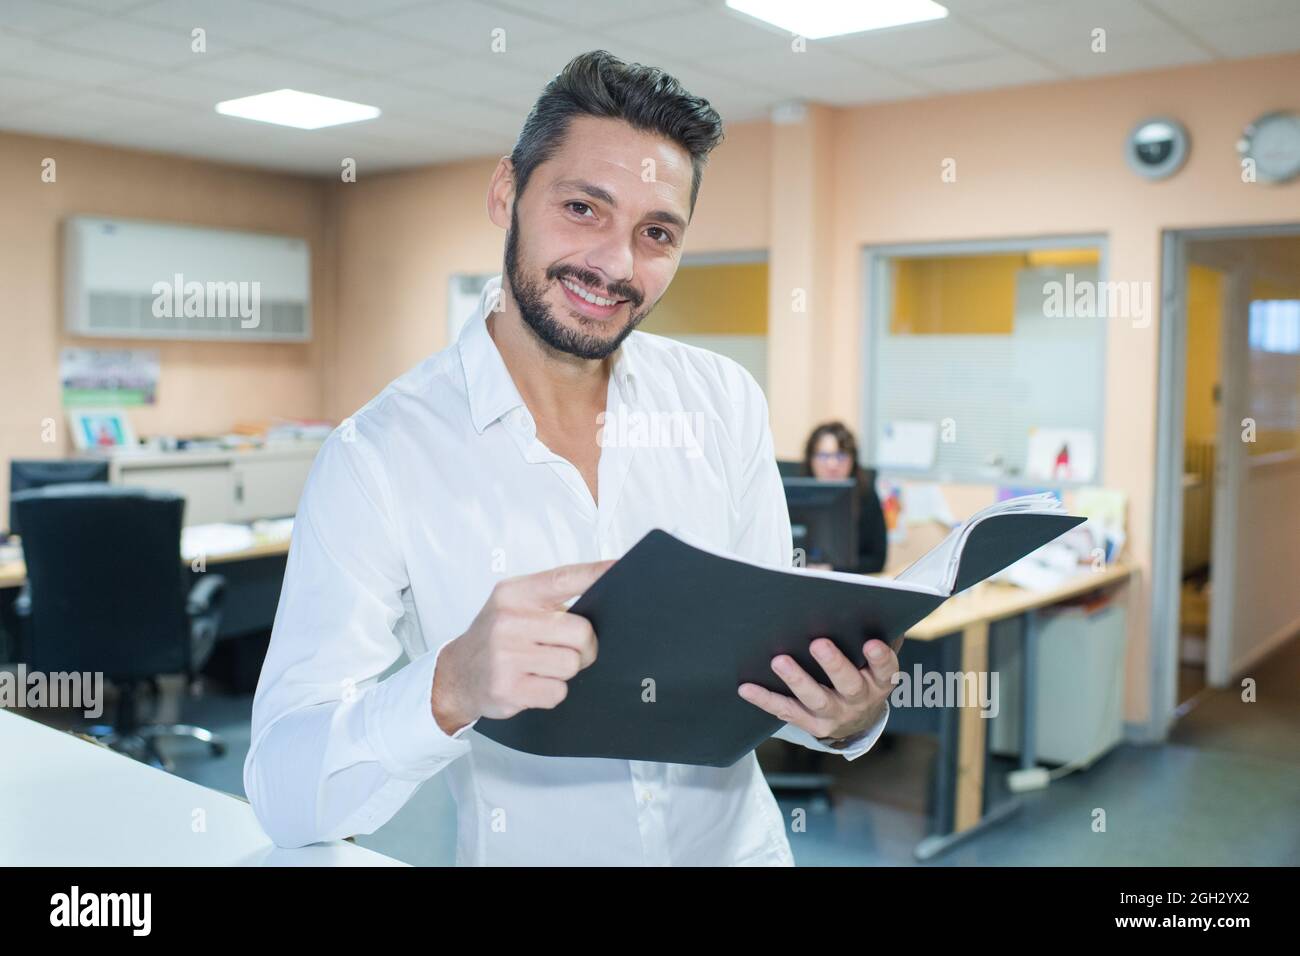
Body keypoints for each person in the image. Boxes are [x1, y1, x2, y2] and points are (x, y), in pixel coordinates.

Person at [245, 51, 897, 866]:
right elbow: (281, 794)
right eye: (584, 208)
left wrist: (848, 717)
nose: (617, 265)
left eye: (656, 232)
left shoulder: (722, 403)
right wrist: (447, 688)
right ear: (506, 195)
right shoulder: (376, 458)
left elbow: (774, 672)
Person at [803, 421, 888, 573]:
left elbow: (877, 560)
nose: (832, 464)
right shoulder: (795, 496)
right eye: (824, 455)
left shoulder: (867, 497)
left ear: (852, 460)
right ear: (811, 459)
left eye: (841, 455)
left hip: (850, 586)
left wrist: (833, 569)